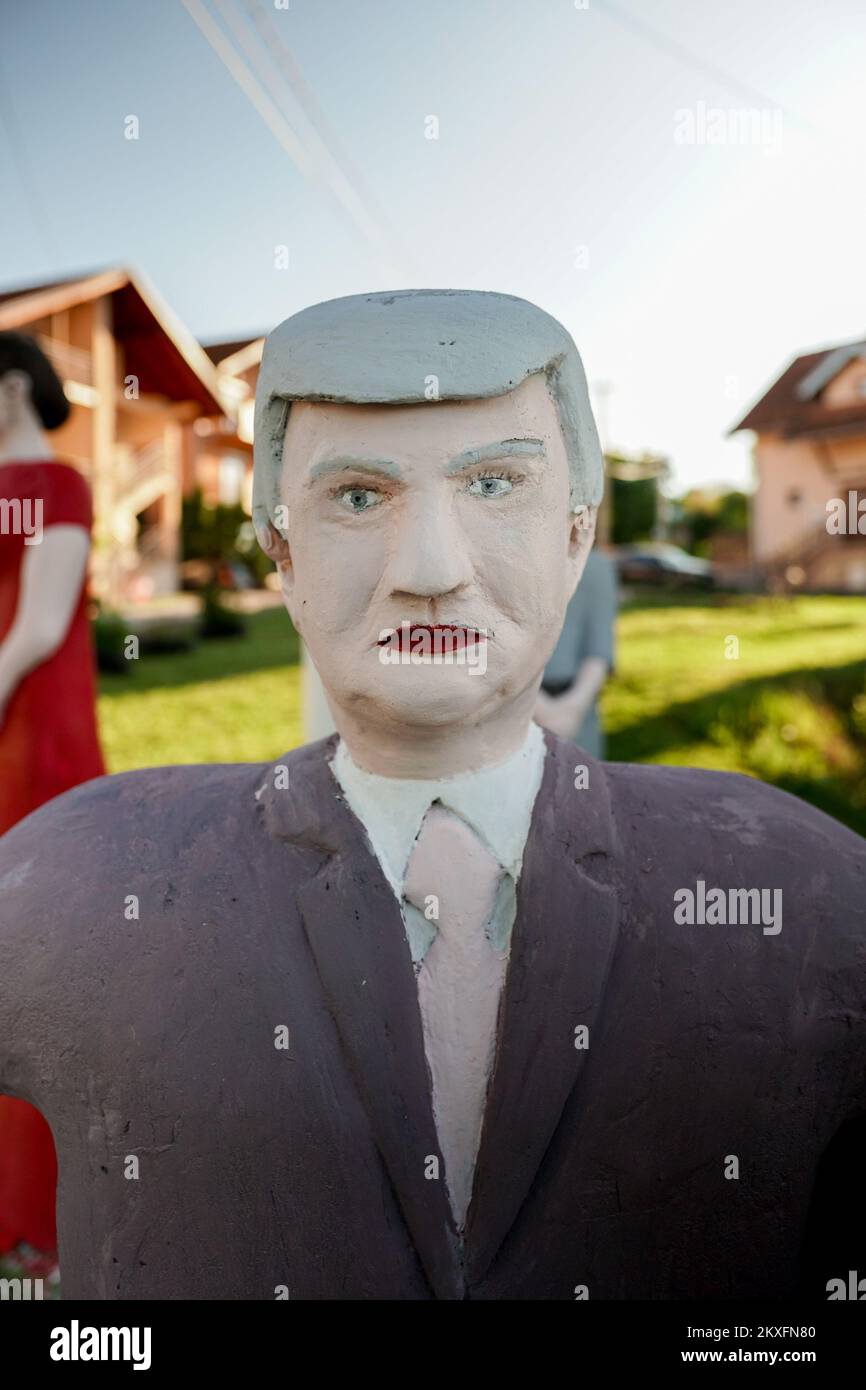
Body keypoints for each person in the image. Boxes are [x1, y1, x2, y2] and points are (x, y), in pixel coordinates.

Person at [0, 290, 863, 1300]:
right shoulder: (73, 884)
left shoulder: (806, 897)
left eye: (495, 483)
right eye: (358, 497)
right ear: (281, 552)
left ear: (576, 534)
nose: (430, 570)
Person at [0, 332, 104, 1260]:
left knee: (32, 969)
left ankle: (39, 1214)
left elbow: (35, 626)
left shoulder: (54, 485)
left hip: (30, 738)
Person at [535, 544, 617, 755]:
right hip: (511, 711)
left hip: (579, 711)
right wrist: (538, 709)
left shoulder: (596, 566)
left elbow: (600, 648)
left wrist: (573, 711)